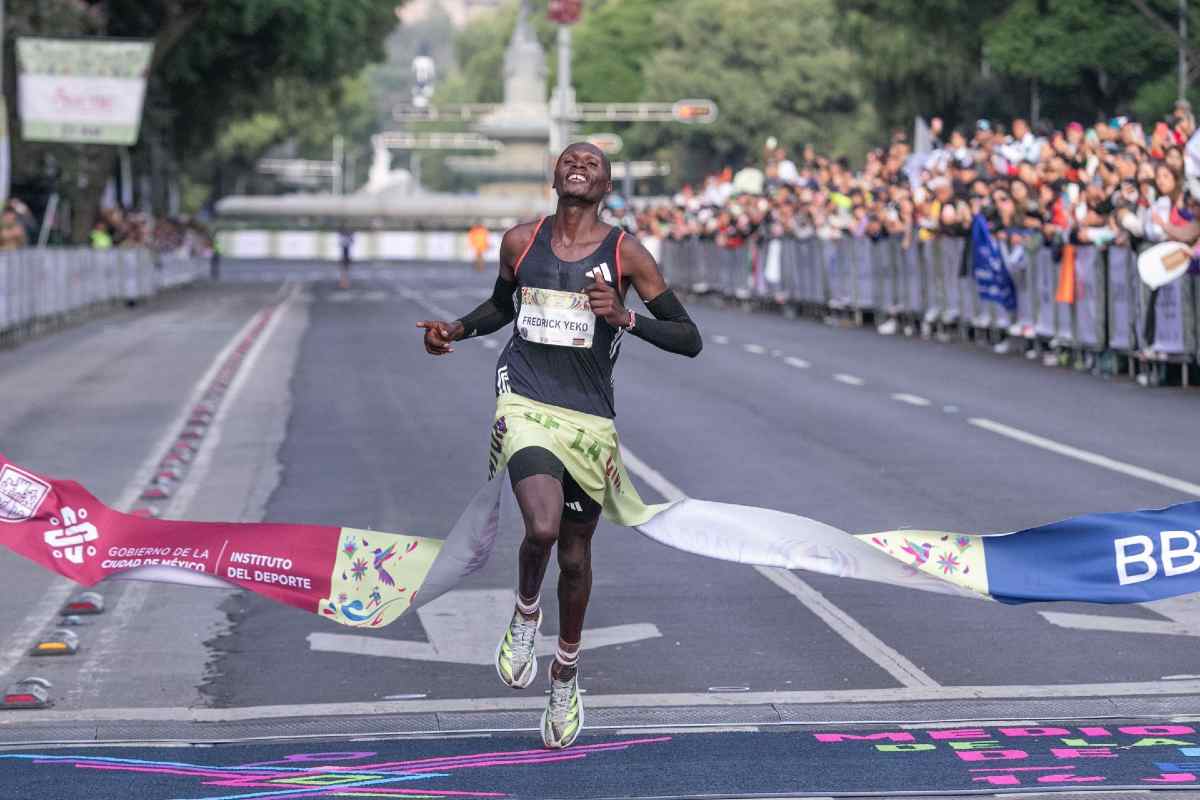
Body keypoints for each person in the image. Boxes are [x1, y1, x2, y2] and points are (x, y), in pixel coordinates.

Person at [417, 143, 702, 749]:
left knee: (574, 555)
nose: (580, 165)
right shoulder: (522, 241)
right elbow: (502, 307)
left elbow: (688, 338)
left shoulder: (627, 254)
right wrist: (456, 331)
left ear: (605, 186)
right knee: (541, 528)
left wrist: (625, 319)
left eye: (593, 163)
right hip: (523, 400)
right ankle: (525, 614)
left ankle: (565, 673)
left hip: (588, 419)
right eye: (571, 158)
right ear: (554, 175)